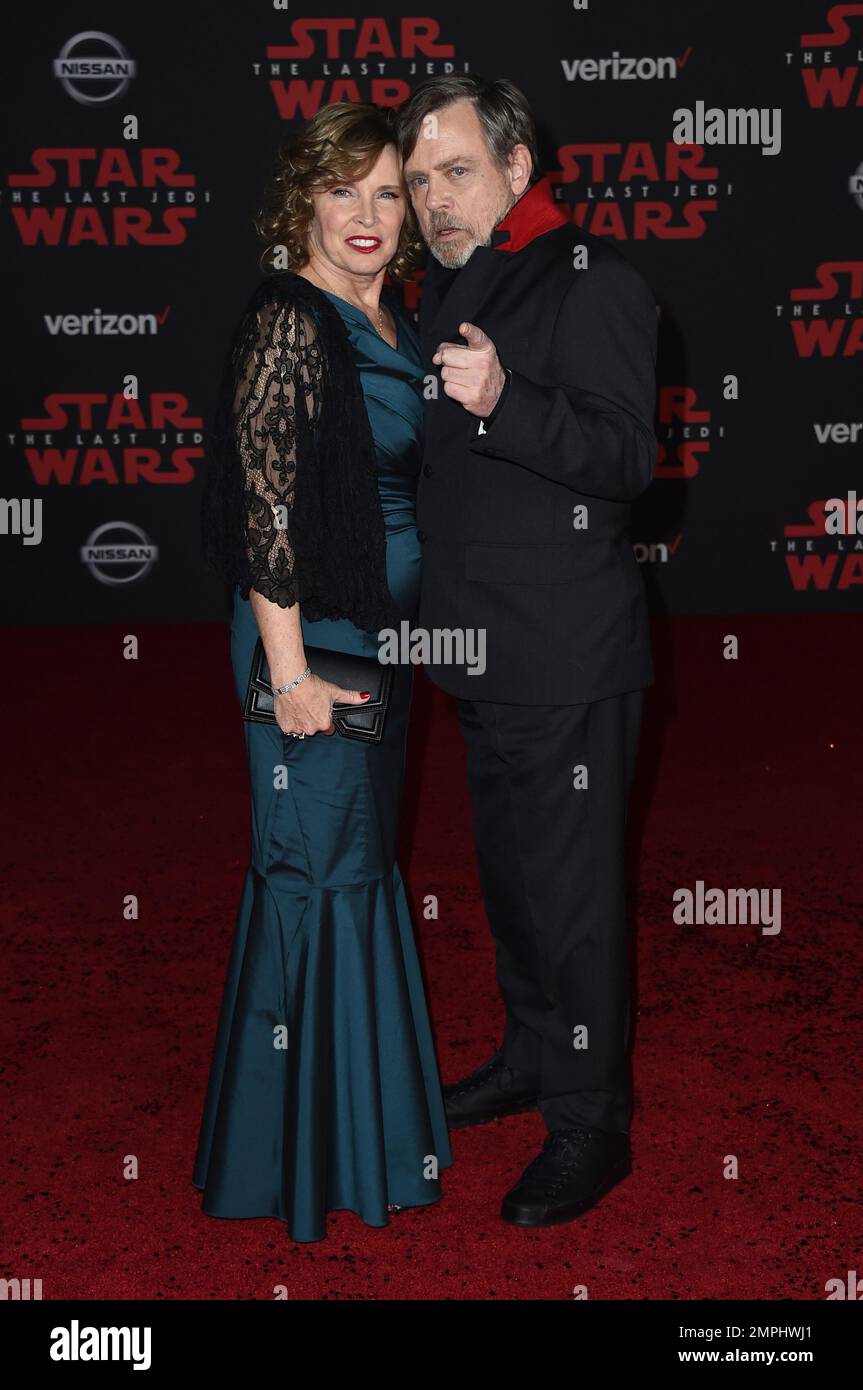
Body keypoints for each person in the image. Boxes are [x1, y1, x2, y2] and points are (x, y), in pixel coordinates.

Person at [395, 75, 657, 1227]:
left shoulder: (596, 279)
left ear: (515, 163)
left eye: (455, 171)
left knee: (573, 900)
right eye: (417, 182)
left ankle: (590, 1120)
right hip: (480, 651)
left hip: (565, 653)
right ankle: (527, 1053)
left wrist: (505, 401)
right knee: (510, 881)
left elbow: (623, 458)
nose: (435, 198)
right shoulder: (449, 284)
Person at [195, 102, 451, 1243]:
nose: (365, 213)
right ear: (302, 198)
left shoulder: (396, 316)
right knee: (313, 872)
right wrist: (290, 675)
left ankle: (359, 1136)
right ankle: (295, 1160)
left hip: (379, 641)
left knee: (354, 869)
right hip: (314, 649)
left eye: (387, 192)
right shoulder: (290, 321)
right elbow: (264, 510)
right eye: (342, 188)